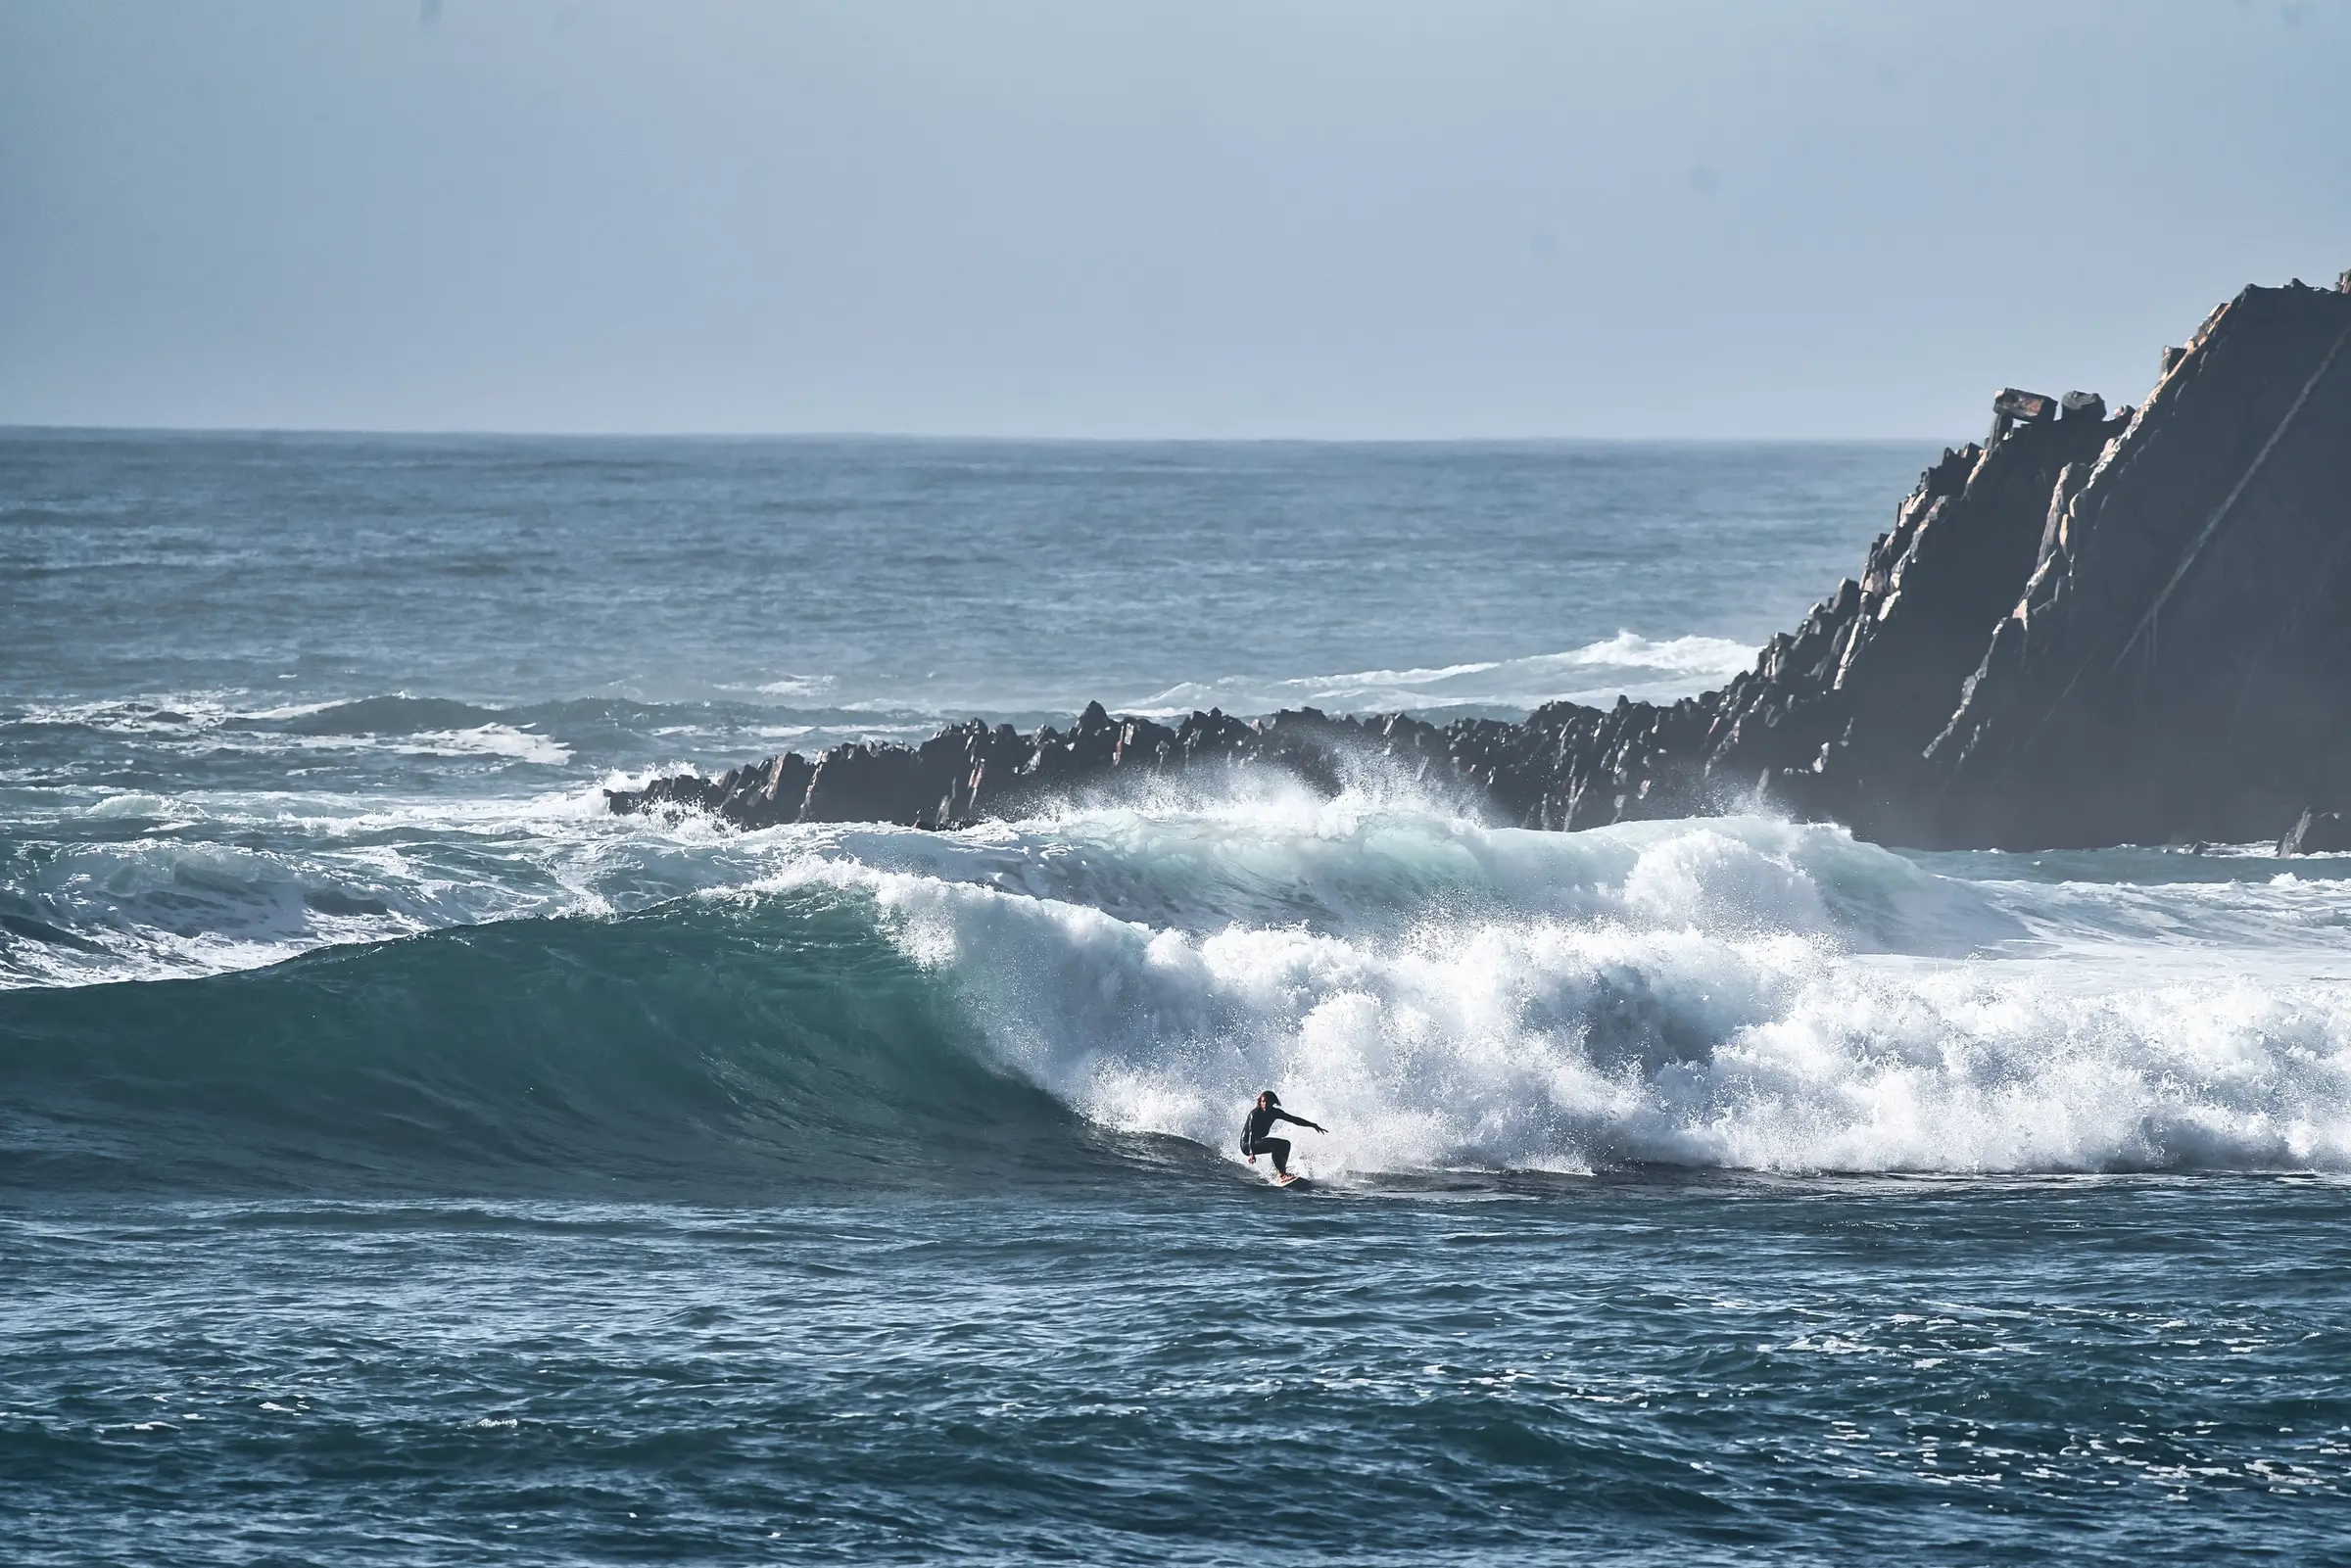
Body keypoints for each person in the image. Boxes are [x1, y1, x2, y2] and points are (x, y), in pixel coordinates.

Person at [1239, 1090, 1325, 1179]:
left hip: (1256, 1142)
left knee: (1286, 1144)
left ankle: (1281, 1169)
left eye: (1268, 1102)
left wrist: (1312, 1125)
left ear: (1273, 1102)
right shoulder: (1255, 1114)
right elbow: (1251, 1134)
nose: (1265, 1104)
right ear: (1260, 1102)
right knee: (1276, 1145)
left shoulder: (1275, 1112)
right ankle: (1282, 1174)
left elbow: (1293, 1119)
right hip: (1247, 1145)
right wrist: (1251, 1153)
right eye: (1263, 1101)